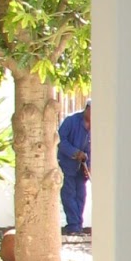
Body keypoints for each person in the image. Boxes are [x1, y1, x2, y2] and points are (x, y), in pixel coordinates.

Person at [57, 100, 91, 234]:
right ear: (87, 109)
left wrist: (89, 166)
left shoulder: (95, 126)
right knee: (69, 194)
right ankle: (73, 225)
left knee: (81, 195)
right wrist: (75, 153)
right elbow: (60, 140)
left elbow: (93, 148)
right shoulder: (71, 121)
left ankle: (78, 225)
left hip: (82, 167)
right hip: (67, 165)